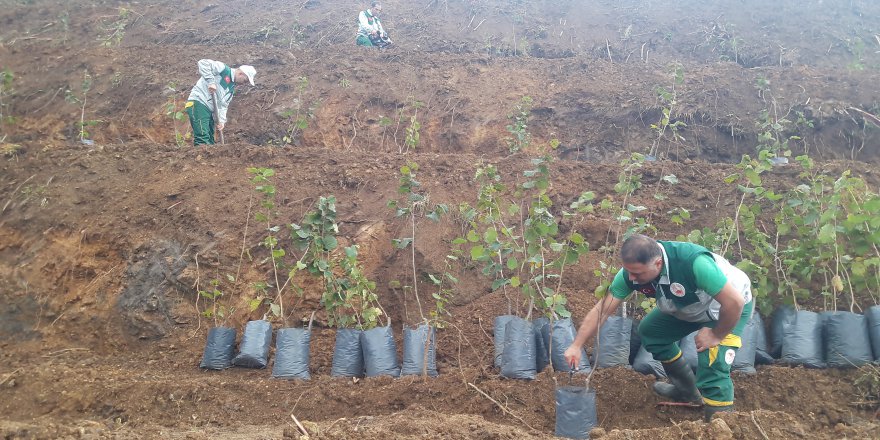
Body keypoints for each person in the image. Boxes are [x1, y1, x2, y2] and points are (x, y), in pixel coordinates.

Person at [564, 234, 753, 422]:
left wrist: (716, 334)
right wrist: (576, 345)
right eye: (628, 271)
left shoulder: (694, 264)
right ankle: (686, 391)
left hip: (725, 308)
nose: (632, 278)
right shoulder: (631, 274)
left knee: (713, 362)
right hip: (688, 306)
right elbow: (602, 310)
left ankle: (720, 425)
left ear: (658, 264)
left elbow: (734, 301)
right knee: (651, 332)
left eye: (638, 273)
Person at [185, 59, 256, 145]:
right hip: (199, 103)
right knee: (202, 137)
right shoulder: (223, 69)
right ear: (241, 73)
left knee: (210, 139)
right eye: (245, 80)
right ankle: (201, 157)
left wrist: (221, 121)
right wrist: (210, 82)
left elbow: (223, 105)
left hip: (209, 110)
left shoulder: (231, 88)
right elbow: (203, 63)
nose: (244, 83)